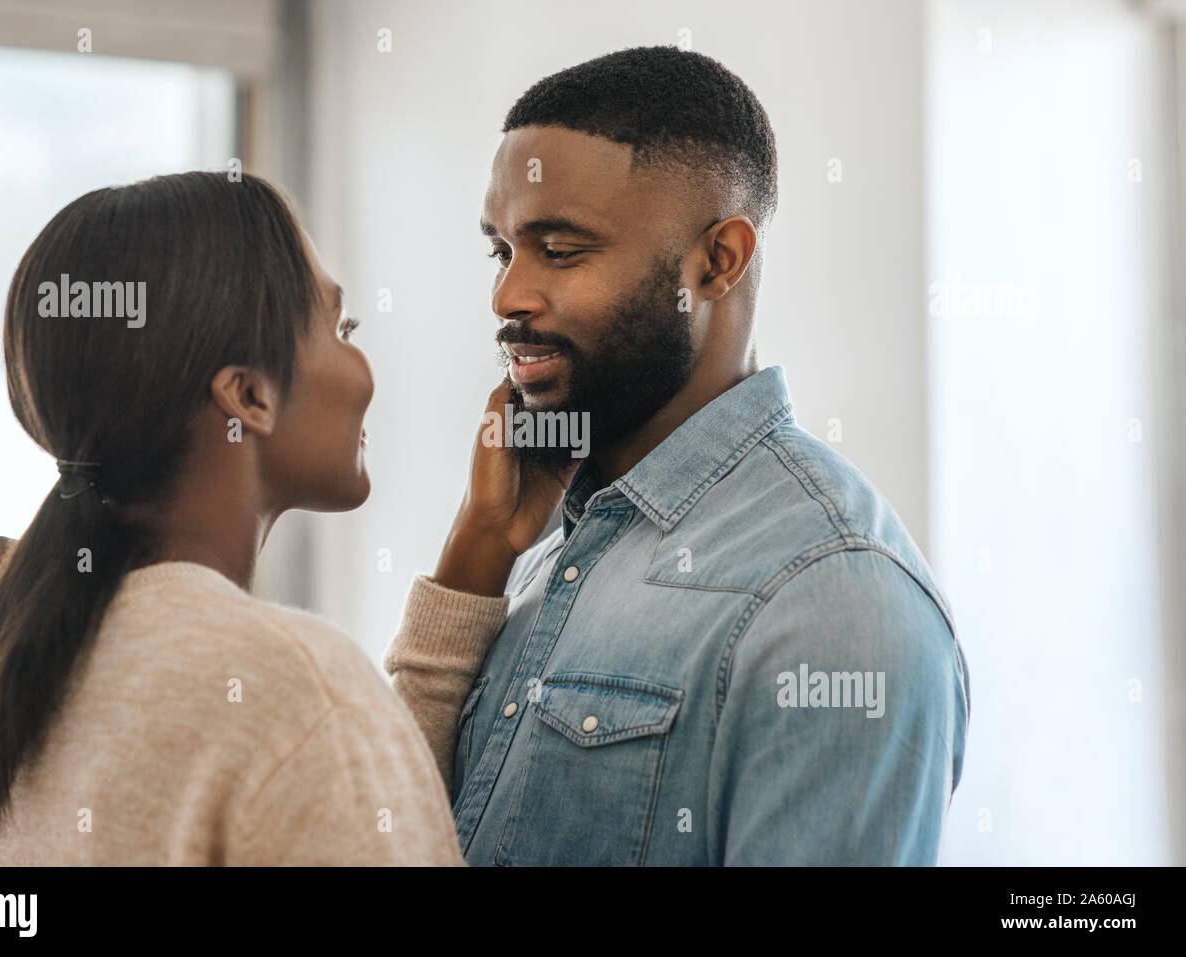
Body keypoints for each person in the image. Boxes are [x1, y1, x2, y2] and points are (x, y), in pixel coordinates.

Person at [382, 46, 972, 865]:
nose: (507, 297)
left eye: (559, 250)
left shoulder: (834, 599)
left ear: (716, 261)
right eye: (502, 250)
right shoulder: (539, 540)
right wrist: (476, 554)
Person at [0, 171, 568, 865]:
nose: (363, 364)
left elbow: (313, 807)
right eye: (340, 327)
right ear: (249, 395)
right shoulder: (290, 682)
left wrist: (481, 541)